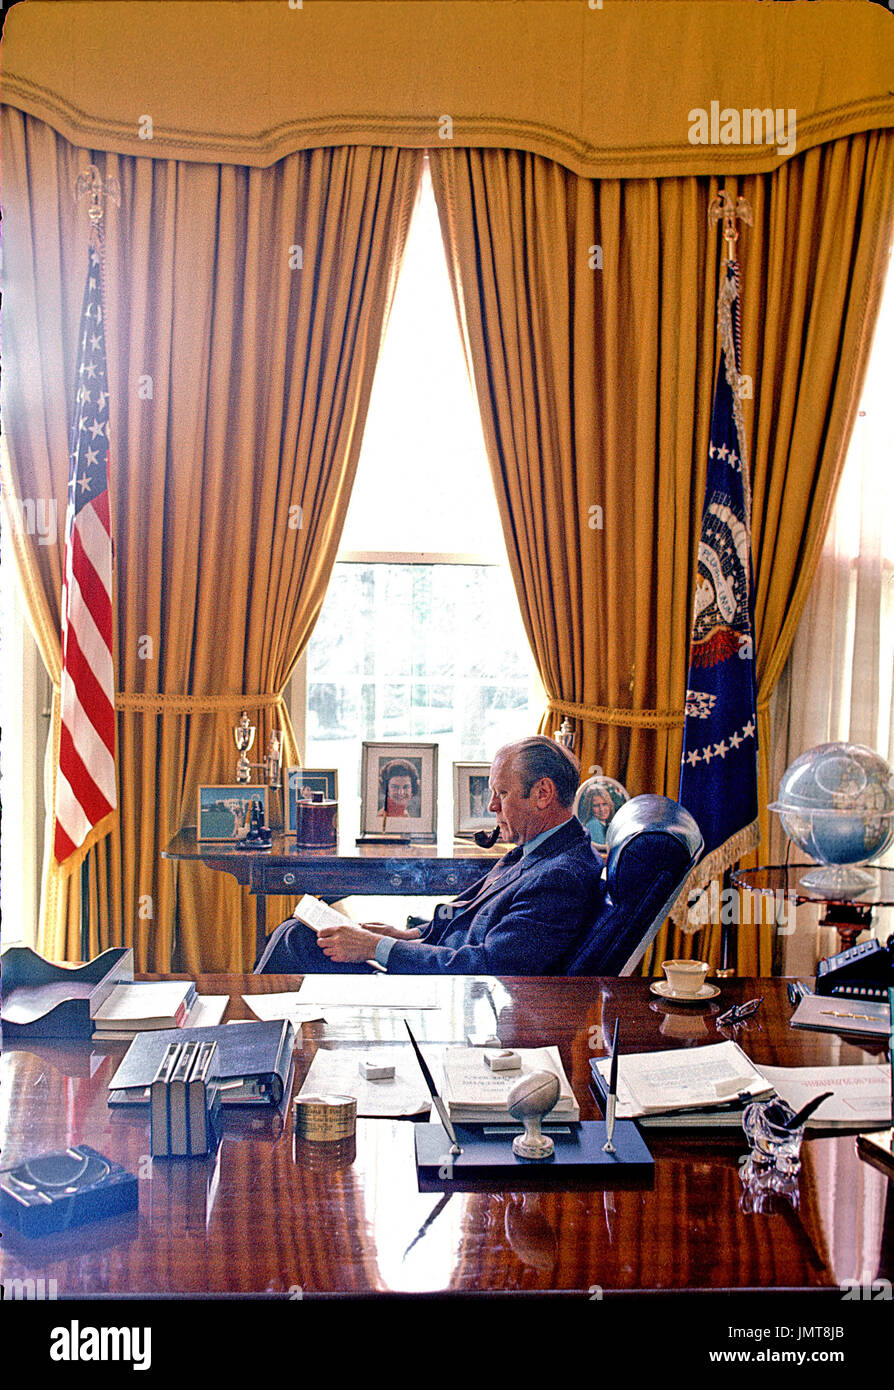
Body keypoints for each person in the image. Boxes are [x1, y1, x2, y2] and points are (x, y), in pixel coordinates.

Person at [255, 736, 606, 975]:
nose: (491, 805)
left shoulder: (561, 876)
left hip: (446, 988)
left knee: (296, 940)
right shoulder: (538, 849)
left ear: (543, 793)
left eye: (502, 792)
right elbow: (464, 915)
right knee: (296, 929)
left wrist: (375, 947)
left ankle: (250, 1049)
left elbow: (487, 966)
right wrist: (404, 935)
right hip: (434, 963)